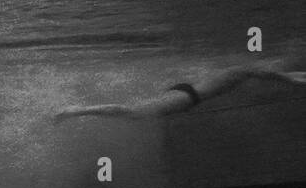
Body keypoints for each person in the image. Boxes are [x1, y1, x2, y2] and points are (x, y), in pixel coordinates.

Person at [54, 58, 306, 121]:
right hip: (189, 96)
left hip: (188, 95)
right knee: (130, 113)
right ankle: (75, 111)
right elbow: (261, 73)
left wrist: (291, 79)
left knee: (131, 113)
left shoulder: (233, 75)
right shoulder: (235, 74)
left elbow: (262, 74)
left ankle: (75, 111)